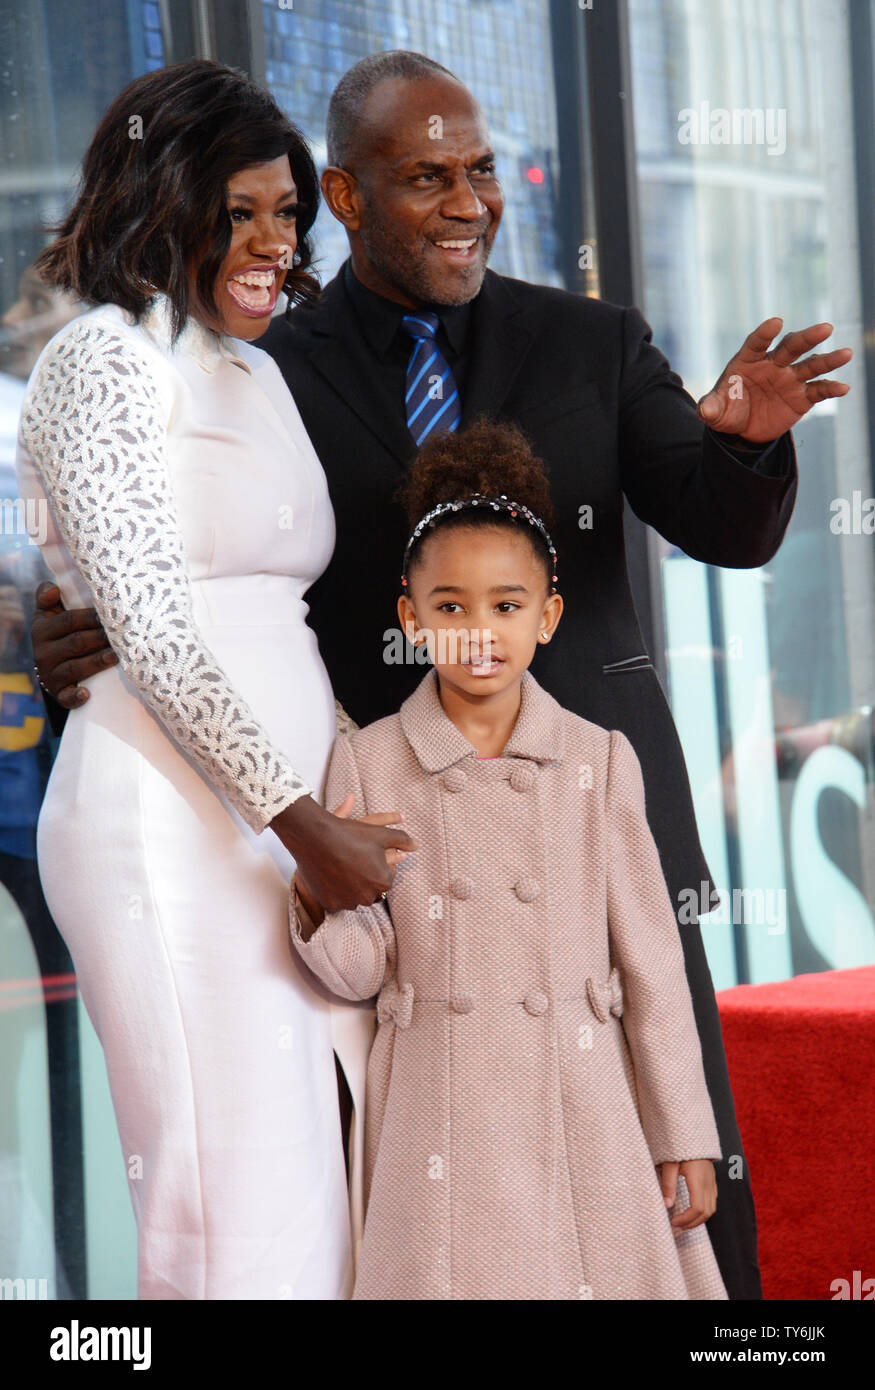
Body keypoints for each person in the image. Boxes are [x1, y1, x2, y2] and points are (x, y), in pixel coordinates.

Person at [30, 50, 853, 1300]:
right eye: (428, 177)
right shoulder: (268, 360)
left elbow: (719, 525)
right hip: (387, 839)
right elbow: (190, 563)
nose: (470, 201)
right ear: (351, 200)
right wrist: (72, 623)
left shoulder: (591, 340)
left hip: (586, 816)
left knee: (670, 1180)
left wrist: (746, 450)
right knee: (418, 1182)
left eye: (481, 172)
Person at [15, 59, 415, 1300]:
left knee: (317, 1207)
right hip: (167, 832)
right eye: (236, 210)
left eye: (285, 210)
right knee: (229, 1215)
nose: (270, 238)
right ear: (158, 200)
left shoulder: (255, 370)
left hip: (288, 838)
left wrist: (347, 798)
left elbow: (275, 624)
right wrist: (304, 826)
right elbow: (152, 631)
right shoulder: (103, 359)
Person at [288, 419, 728, 1300]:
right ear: (410, 619)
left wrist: (681, 1127)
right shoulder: (370, 760)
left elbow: (650, 963)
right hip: (434, 1107)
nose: (477, 631)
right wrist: (317, 888)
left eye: (505, 604)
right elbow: (359, 970)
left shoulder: (598, 760)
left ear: (547, 615)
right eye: (448, 607)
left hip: (584, 1095)